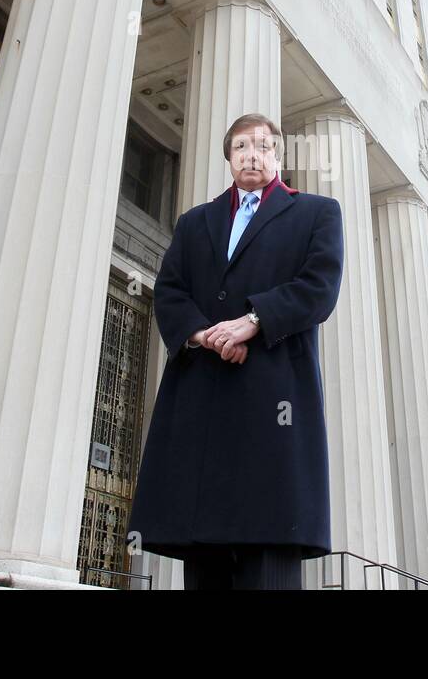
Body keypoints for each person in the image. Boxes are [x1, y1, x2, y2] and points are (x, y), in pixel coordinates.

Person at [126, 113, 344, 590]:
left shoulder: (317, 213)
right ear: (228, 158)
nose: (253, 154)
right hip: (202, 412)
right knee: (203, 558)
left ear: (278, 156)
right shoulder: (194, 222)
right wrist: (206, 335)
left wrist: (252, 321)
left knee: (266, 556)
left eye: (264, 146)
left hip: (273, 414)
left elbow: (318, 289)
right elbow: (170, 292)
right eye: (242, 146)